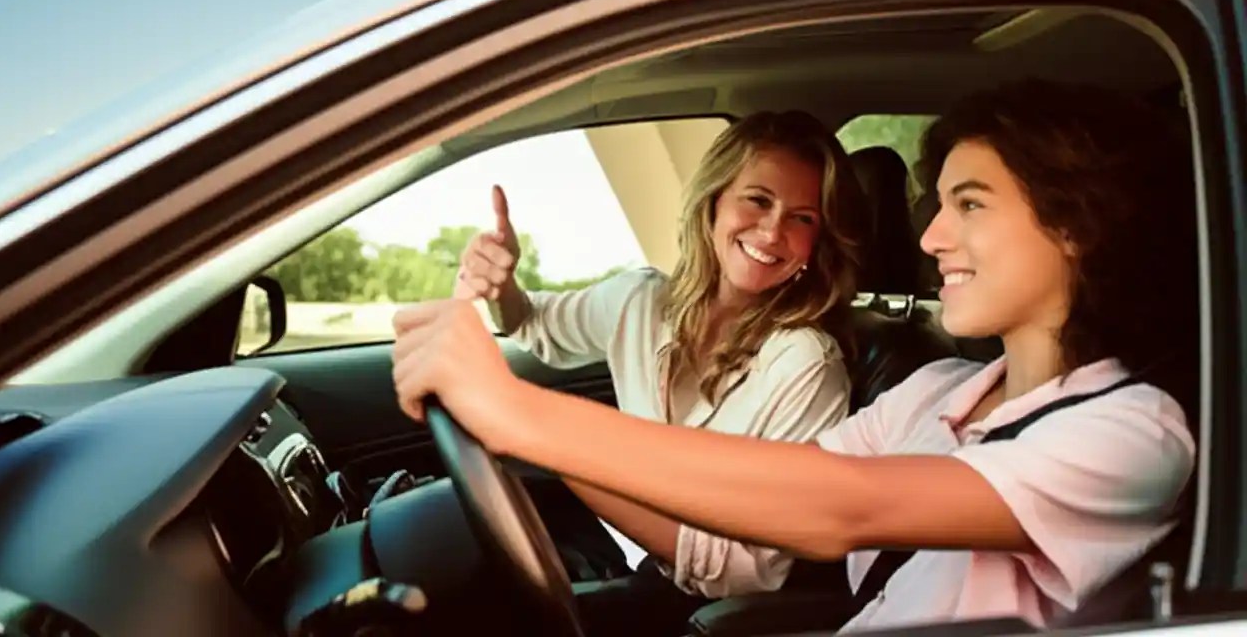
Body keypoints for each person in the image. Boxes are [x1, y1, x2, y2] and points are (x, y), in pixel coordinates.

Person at [393, 79, 1198, 633]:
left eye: (970, 205)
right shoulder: (940, 390)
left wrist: (522, 420)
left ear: (1077, 226)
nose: (928, 238)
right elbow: (754, 485)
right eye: (938, 205)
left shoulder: (1136, 432)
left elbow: (837, 510)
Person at [449, 110, 865, 605]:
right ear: (713, 201)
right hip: (620, 555)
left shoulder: (806, 366)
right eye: (758, 200)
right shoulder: (640, 301)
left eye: (802, 219)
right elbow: (533, 323)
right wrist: (502, 286)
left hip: (696, 608)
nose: (773, 232)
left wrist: (564, 451)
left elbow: (747, 570)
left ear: (816, 243)